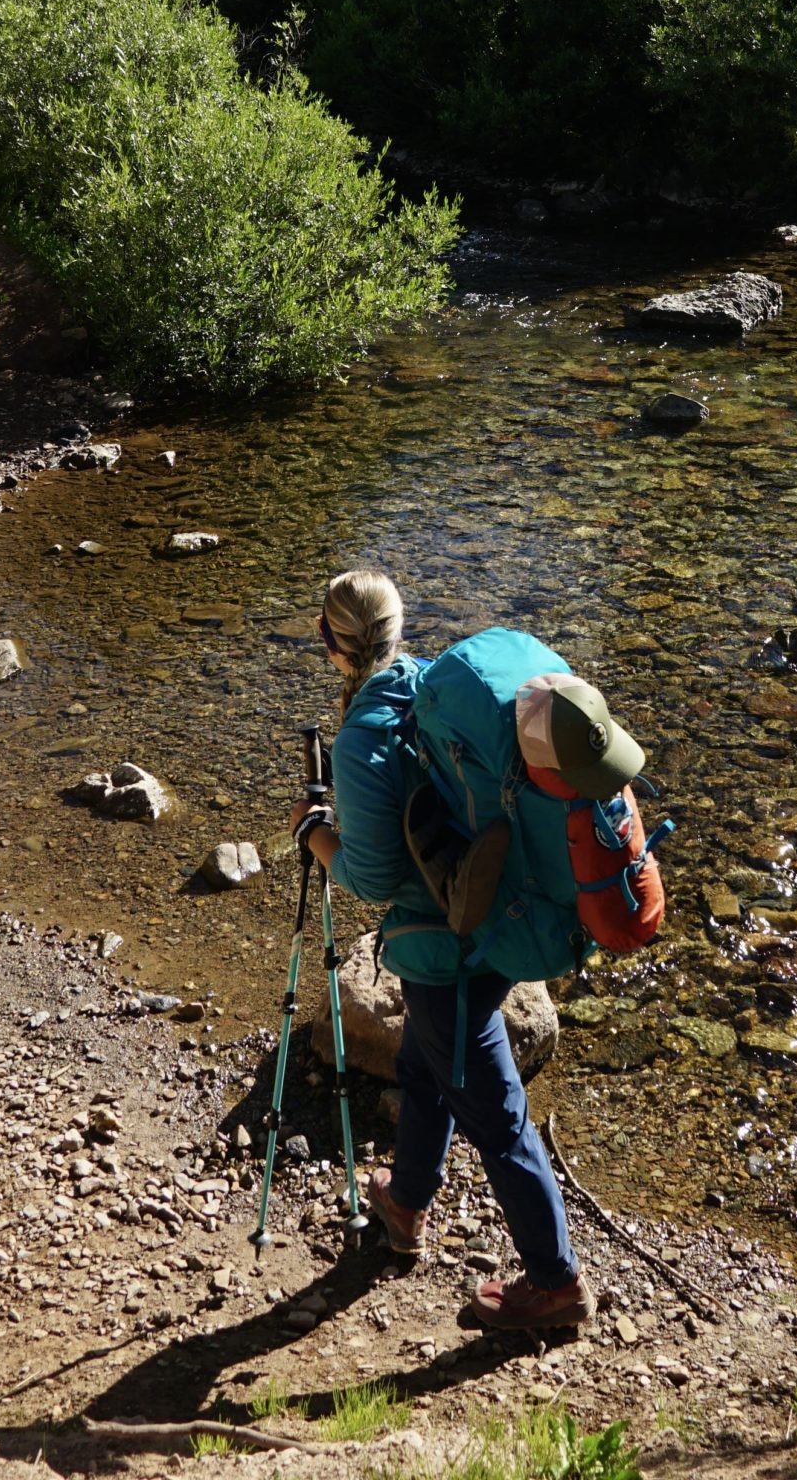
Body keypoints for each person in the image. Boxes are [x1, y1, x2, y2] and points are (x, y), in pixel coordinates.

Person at [290, 568, 593, 1331]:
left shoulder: (361, 734)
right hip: (497, 914)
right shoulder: (429, 685)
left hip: (446, 948)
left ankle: (556, 1284)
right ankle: (407, 1202)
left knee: (496, 1115)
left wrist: (314, 832)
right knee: (426, 1062)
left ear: (332, 644)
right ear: (398, 630)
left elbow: (373, 874)